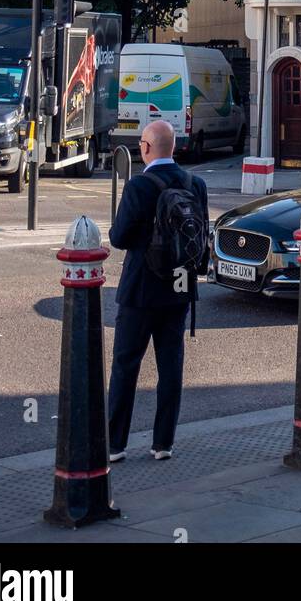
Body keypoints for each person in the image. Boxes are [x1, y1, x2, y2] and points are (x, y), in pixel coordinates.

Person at [107, 119, 208, 461]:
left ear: (146, 148)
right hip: (180, 288)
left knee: (126, 365)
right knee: (170, 366)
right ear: (175, 147)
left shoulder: (139, 186)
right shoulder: (196, 184)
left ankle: (115, 444)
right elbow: (201, 240)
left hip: (140, 290)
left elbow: (119, 238)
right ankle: (163, 443)